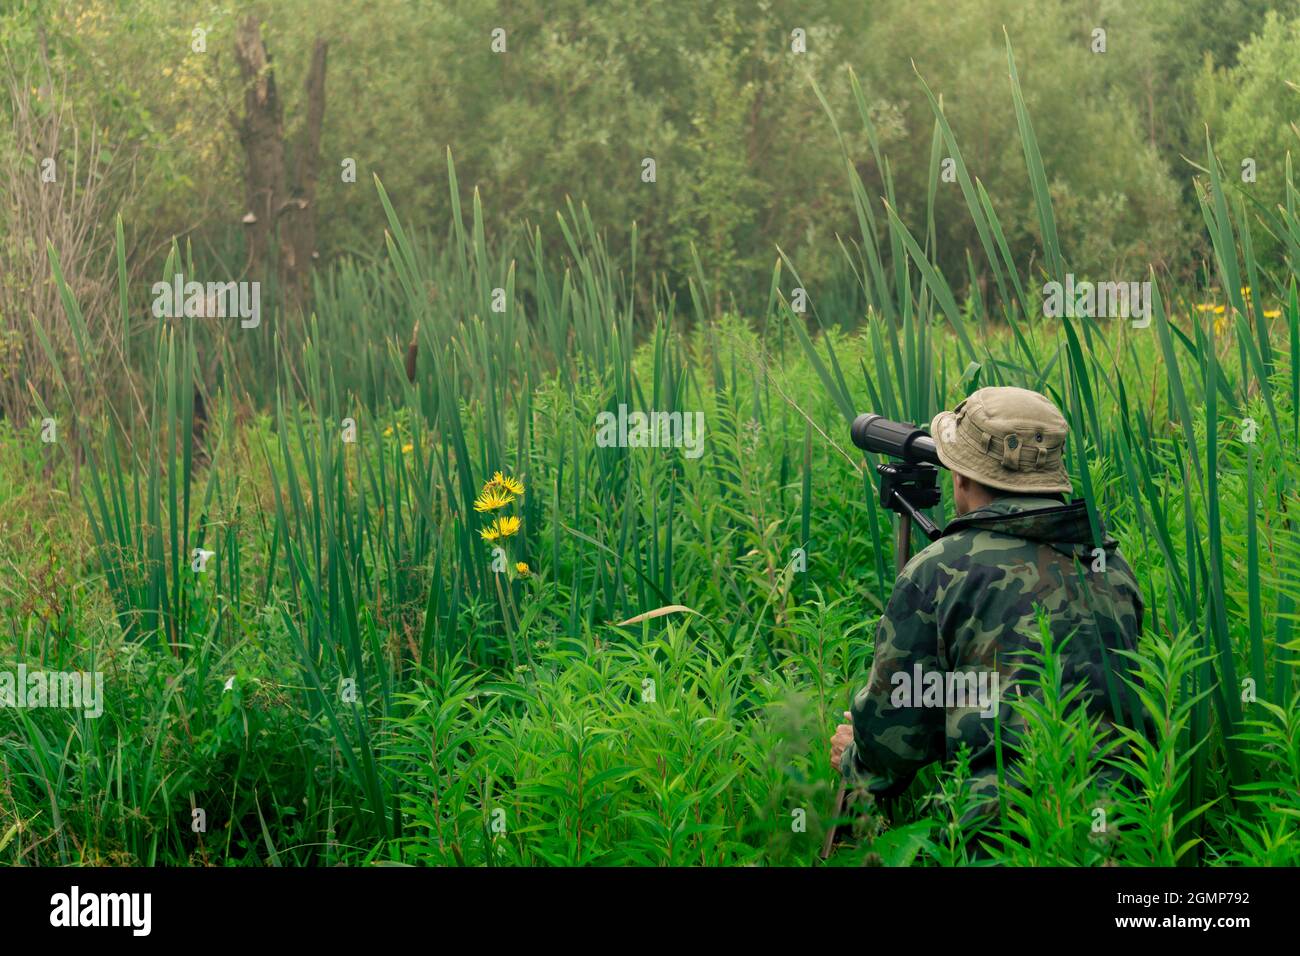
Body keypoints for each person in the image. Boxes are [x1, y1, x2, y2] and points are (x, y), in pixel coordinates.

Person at [828, 386, 1144, 848]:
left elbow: (893, 748)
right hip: (1119, 834)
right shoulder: (1112, 568)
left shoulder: (939, 572)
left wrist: (855, 757)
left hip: (996, 839)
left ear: (960, 476)